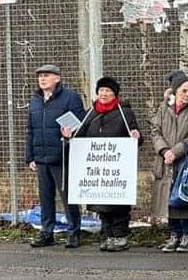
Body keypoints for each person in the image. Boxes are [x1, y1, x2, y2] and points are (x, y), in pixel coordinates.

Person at [64, 76, 142, 252]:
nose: (104, 94)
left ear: (115, 94)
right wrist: (69, 136)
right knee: (102, 203)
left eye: (108, 91)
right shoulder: (90, 113)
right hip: (97, 170)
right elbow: (79, 137)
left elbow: (136, 136)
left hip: (117, 169)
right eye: (101, 90)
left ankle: (120, 236)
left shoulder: (125, 112)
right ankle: (108, 235)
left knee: (118, 203)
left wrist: (136, 137)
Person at [25, 64, 85, 248]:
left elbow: (81, 123)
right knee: (45, 197)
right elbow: (30, 130)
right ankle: (46, 232)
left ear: (57, 78)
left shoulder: (70, 98)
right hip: (41, 157)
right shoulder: (35, 101)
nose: (42, 79)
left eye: (46, 75)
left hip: (63, 156)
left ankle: (73, 232)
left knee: (68, 197)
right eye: (40, 76)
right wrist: (30, 157)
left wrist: (71, 133)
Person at [151, 70, 188, 253]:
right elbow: (155, 131)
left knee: (186, 196)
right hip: (166, 160)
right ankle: (174, 234)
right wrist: (165, 151)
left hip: (186, 159)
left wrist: (176, 151)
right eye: (184, 91)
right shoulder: (163, 108)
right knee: (169, 198)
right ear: (174, 92)